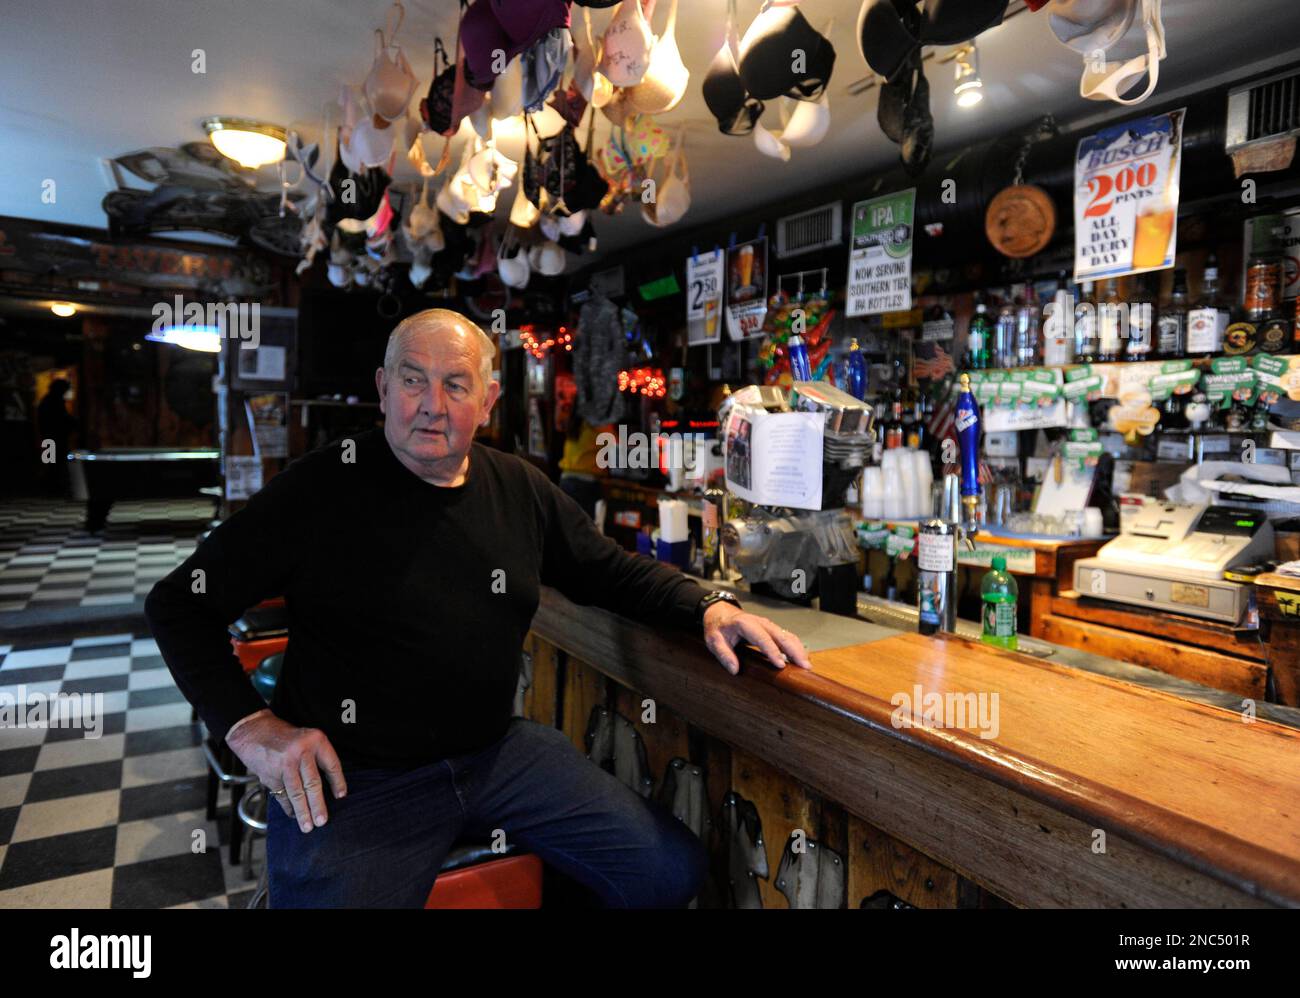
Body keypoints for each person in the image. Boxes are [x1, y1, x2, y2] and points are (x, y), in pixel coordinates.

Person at [146, 308, 810, 909]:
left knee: (667, 872)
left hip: (496, 756)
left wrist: (708, 608)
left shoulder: (519, 487)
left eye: (456, 385)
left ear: (488, 401)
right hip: (357, 779)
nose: (431, 406)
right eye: (413, 381)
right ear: (382, 388)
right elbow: (177, 604)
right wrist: (252, 728)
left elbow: (609, 573)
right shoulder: (321, 487)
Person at [36, 378, 75, 495]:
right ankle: (52, 488)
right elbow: (61, 420)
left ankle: (51, 488)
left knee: (51, 463)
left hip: (49, 438)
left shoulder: (49, 400)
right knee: (53, 464)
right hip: (53, 438)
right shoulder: (54, 401)